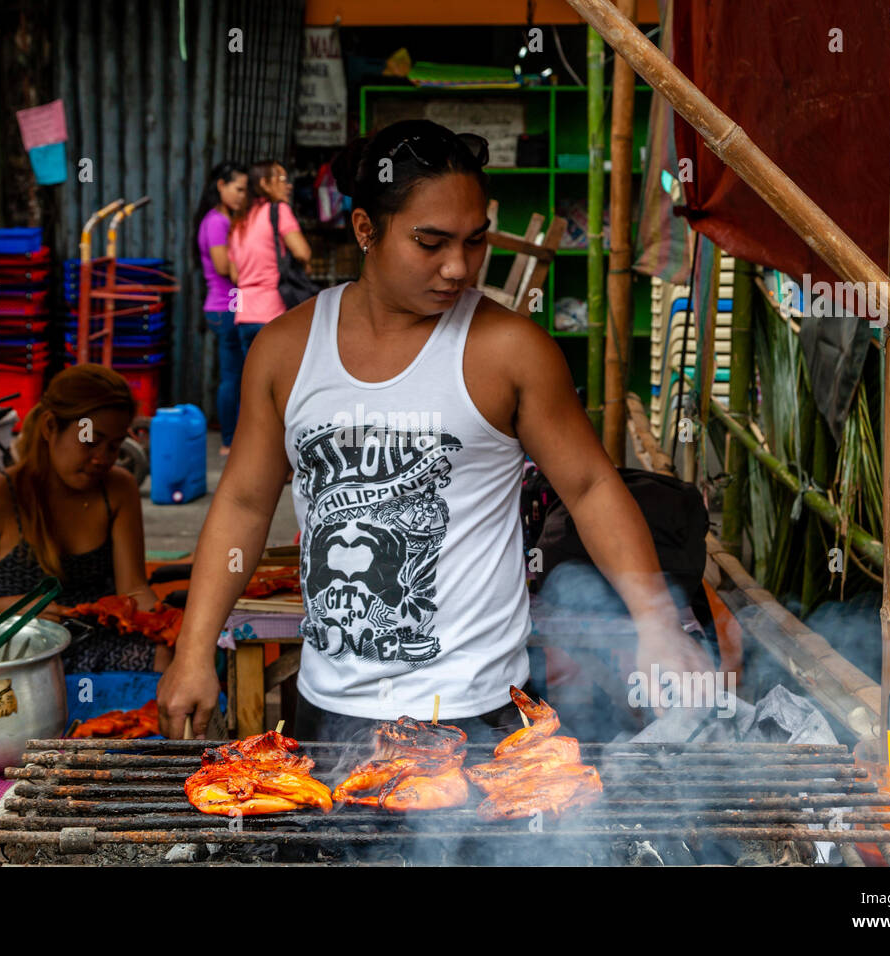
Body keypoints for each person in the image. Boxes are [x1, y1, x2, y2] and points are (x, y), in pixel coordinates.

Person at [156, 119, 711, 743]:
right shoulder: (287, 350)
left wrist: (658, 623)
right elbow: (243, 502)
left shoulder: (509, 350)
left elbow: (590, 488)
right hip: (329, 714)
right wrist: (193, 649)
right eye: (431, 242)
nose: (458, 267)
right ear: (366, 229)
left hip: (477, 717)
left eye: (475, 242)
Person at [0, 364, 165, 673]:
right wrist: (19, 610)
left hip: (96, 641)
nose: (102, 458)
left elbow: (133, 590)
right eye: (90, 441)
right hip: (16, 651)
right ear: (49, 428)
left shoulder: (119, 488)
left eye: (114, 446)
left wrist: (169, 624)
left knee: (169, 659)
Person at [227, 159, 311, 359]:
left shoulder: (238, 221)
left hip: (243, 315)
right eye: (281, 178)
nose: (287, 185)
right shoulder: (278, 211)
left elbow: (234, 275)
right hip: (274, 313)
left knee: (255, 384)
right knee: (283, 383)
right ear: (264, 184)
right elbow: (302, 252)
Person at [195, 161, 248, 456]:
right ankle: (229, 441)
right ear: (221, 186)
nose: (242, 195)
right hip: (224, 306)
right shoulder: (217, 222)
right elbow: (222, 267)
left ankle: (233, 438)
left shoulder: (226, 219)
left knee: (236, 374)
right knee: (233, 376)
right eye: (238, 189)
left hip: (229, 305)